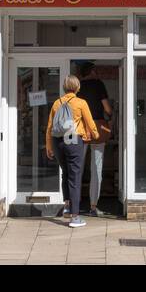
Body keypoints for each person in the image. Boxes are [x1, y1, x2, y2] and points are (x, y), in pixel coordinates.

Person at [45, 74, 99, 228]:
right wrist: (95, 135)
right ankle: (75, 217)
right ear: (77, 87)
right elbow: (90, 123)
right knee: (75, 176)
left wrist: (49, 146)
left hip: (57, 141)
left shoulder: (56, 103)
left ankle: (68, 208)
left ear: (64, 87)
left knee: (66, 173)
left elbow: (49, 127)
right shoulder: (80, 103)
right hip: (73, 139)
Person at [76, 63, 113, 217]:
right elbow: (107, 109)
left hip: (81, 129)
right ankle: (93, 206)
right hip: (97, 128)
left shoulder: (78, 87)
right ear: (91, 71)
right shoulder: (98, 85)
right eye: (96, 70)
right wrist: (111, 116)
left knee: (77, 167)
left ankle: (73, 204)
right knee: (96, 167)